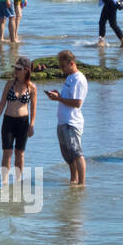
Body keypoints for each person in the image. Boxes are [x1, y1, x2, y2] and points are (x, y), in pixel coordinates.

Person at [44, 50, 88, 187]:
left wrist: (59, 98)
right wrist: (58, 95)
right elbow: (67, 98)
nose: (61, 69)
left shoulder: (78, 79)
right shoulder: (69, 77)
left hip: (72, 122)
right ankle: (73, 179)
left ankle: (81, 183)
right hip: (63, 121)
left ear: (71, 63)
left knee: (76, 153)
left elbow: (77, 103)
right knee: (67, 155)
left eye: (63, 66)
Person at [0, 57, 36, 181]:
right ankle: (4, 181)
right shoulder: (9, 84)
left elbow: (33, 108)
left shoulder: (32, 87)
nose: (16, 71)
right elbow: (2, 103)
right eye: (15, 68)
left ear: (26, 70)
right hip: (8, 121)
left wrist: (32, 125)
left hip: (23, 122)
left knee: (20, 153)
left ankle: (18, 180)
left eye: (19, 69)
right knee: (7, 152)